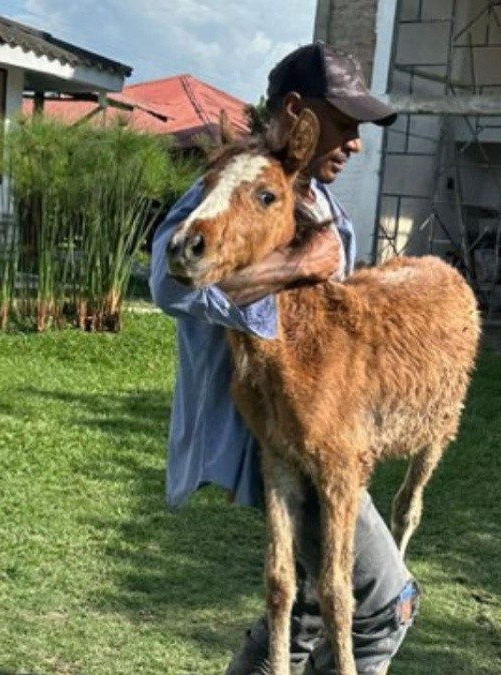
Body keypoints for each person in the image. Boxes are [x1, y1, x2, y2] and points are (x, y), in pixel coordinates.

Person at [148, 43, 418, 675]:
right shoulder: (236, 181)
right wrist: (298, 264)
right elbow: (167, 279)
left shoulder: (320, 202)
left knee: (303, 610)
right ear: (296, 113)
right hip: (276, 439)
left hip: (324, 434)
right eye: (344, 124)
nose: (355, 143)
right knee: (384, 605)